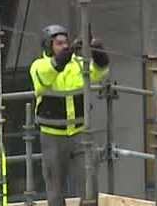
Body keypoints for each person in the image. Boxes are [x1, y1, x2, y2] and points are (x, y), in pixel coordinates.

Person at [29, 24, 109, 206]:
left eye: (66, 42)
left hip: (80, 134)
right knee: (55, 190)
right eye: (59, 43)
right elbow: (52, 69)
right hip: (52, 137)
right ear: (48, 46)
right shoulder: (39, 66)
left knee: (89, 186)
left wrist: (97, 49)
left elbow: (101, 71)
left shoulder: (78, 65)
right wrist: (72, 48)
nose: (64, 46)